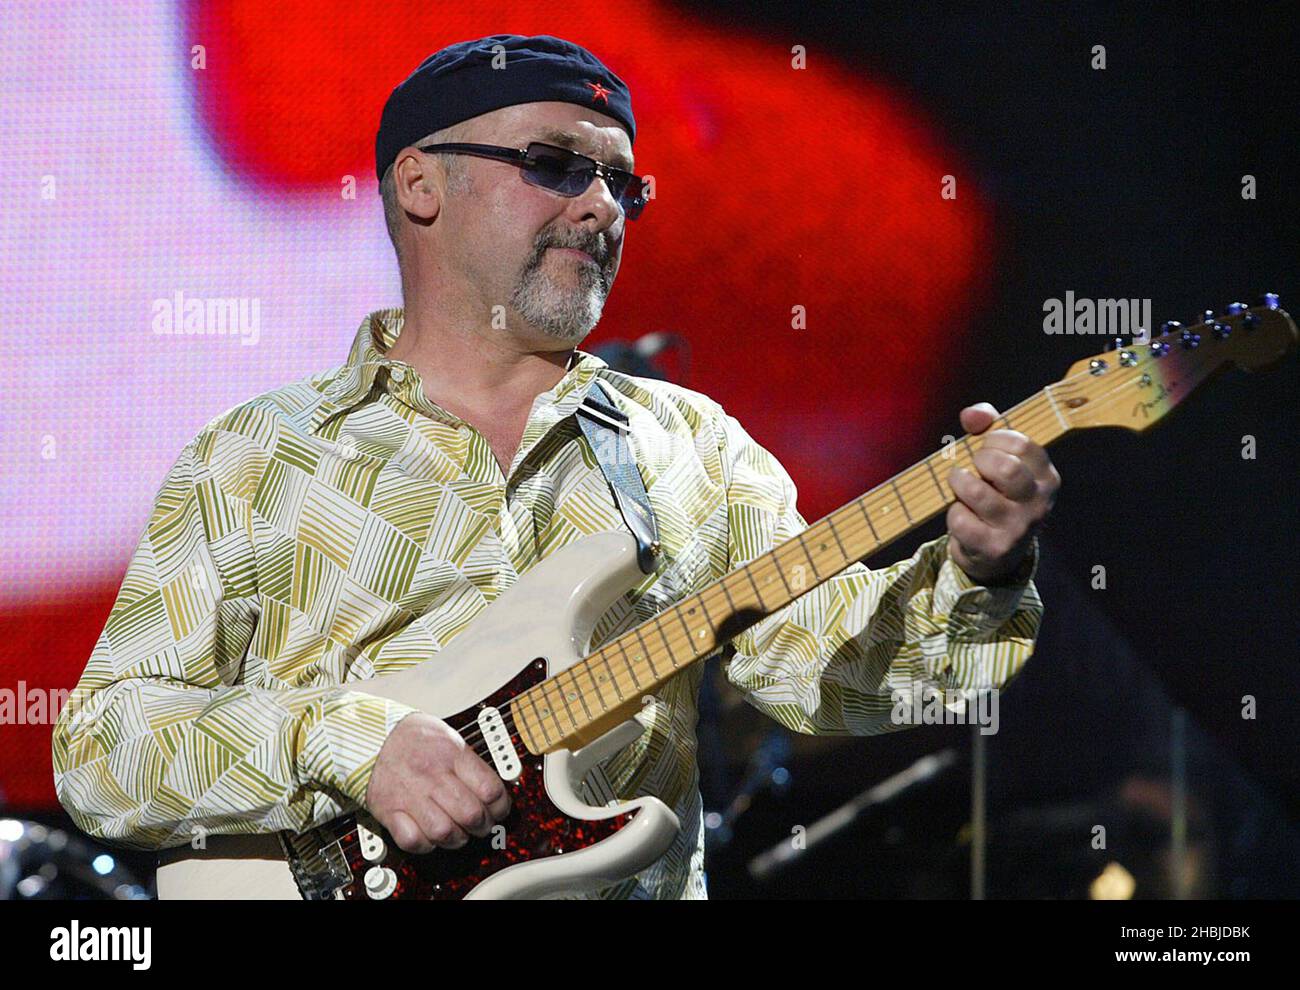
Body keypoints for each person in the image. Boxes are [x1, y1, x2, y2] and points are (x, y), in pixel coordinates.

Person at [52, 34, 1059, 899]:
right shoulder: (256, 457)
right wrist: (345, 741)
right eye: (555, 165)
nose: (603, 209)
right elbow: (102, 753)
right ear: (420, 184)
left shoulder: (688, 445)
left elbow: (832, 683)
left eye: (623, 182)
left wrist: (978, 573)